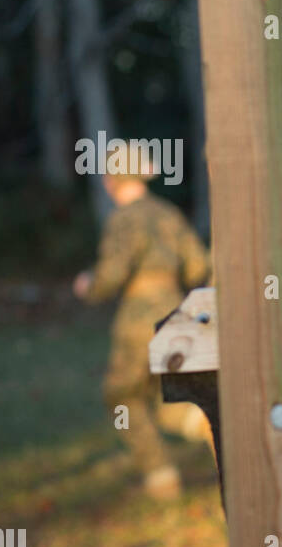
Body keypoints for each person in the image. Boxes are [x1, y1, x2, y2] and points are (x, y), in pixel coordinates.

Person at [73, 149, 211, 500]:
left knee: (121, 397)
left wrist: (90, 285)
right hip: (176, 312)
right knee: (160, 390)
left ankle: (159, 474)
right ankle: (193, 420)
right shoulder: (170, 213)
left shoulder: (123, 219)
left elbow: (113, 273)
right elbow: (197, 268)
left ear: (112, 180)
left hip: (138, 318)